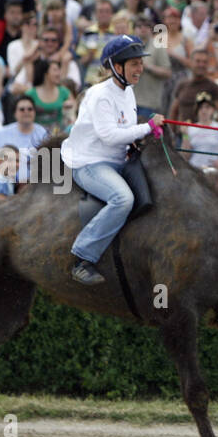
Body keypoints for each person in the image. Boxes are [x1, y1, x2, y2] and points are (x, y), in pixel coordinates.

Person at [61, 35, 165, 284]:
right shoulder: (99, 95)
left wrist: (144, 135)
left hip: (118, 161)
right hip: (89, 163)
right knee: (123, 199)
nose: (140, 69)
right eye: (134, 64)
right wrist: (147, 127)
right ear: (117, 67)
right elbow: (109, 136)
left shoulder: (128, 92)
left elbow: (124, 132)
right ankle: (83, 259)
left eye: (141, 63)